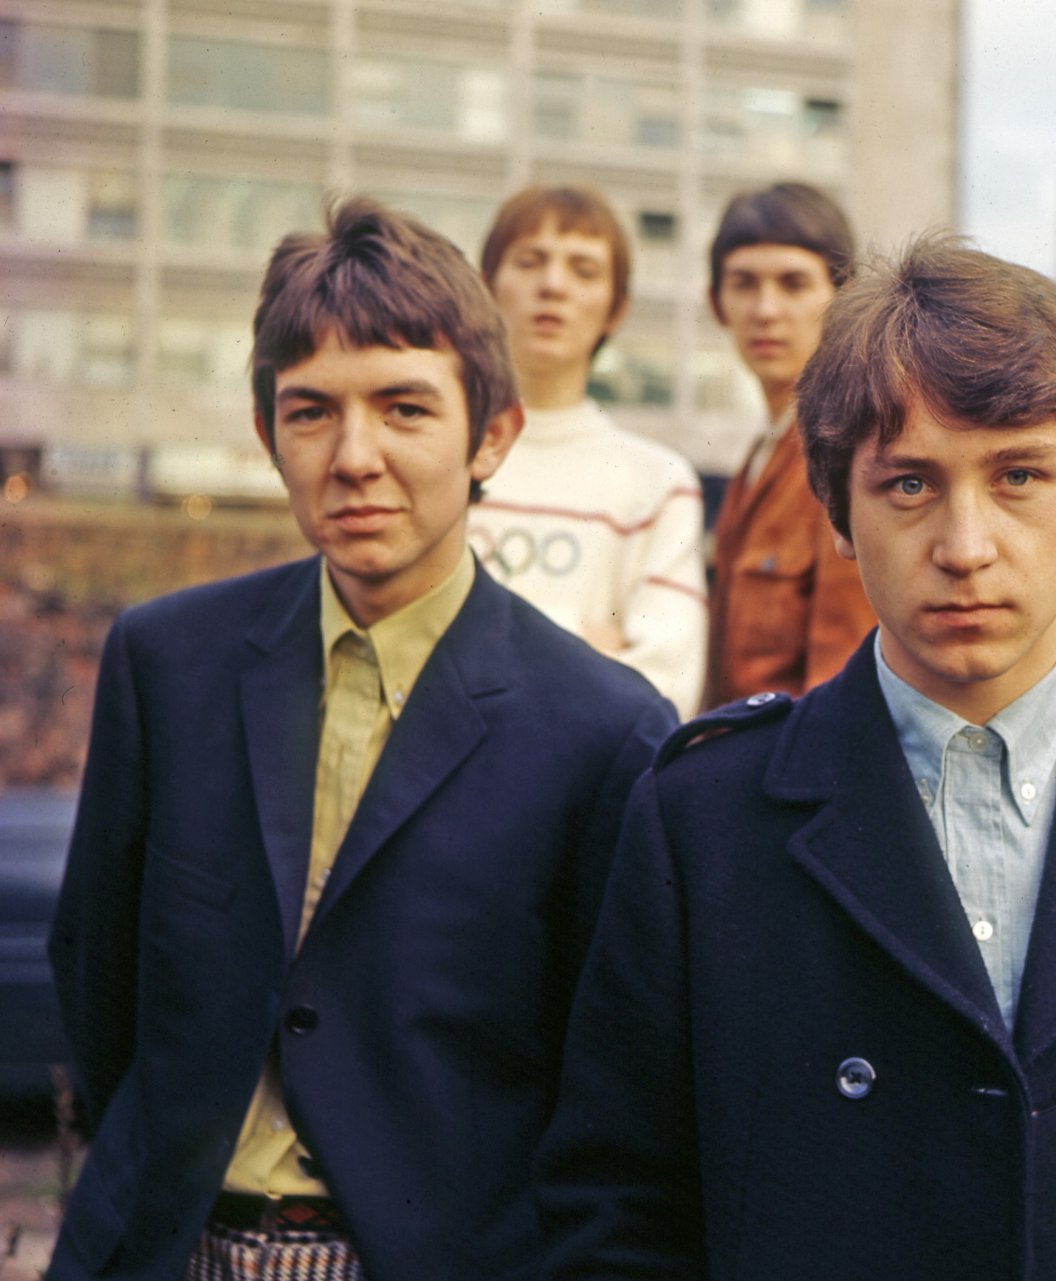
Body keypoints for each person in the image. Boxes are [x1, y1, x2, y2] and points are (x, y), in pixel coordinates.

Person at [535, 236, 1056, 1279]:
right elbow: (616, 1212)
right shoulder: (703, 819)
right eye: (908, 485)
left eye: (1020, 475)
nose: (966, 544)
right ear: (839, 513)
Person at [46, 198, 676, 1281]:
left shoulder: (602, 731)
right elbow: (99, 974)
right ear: (266, 434)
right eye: (310, 412)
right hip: (165, 1246)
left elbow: (611, 1098)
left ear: (493, 434)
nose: (355, 457)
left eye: (404, 409)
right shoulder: (169, 661)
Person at [470, 184, 707, 716]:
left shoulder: (658, 481)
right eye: (530, 261)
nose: (552, 285)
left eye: (584, 269)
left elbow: (665, 690)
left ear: (616, 309)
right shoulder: (436, 458)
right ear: (485, 289)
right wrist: (581, 635)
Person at [702, 181, 875, 708]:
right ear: (717, 303)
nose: (766, 310)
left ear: (843, 296)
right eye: (745, 284)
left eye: (793, 284)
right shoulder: (763, 451)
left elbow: (840, 675)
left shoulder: (844, 448)